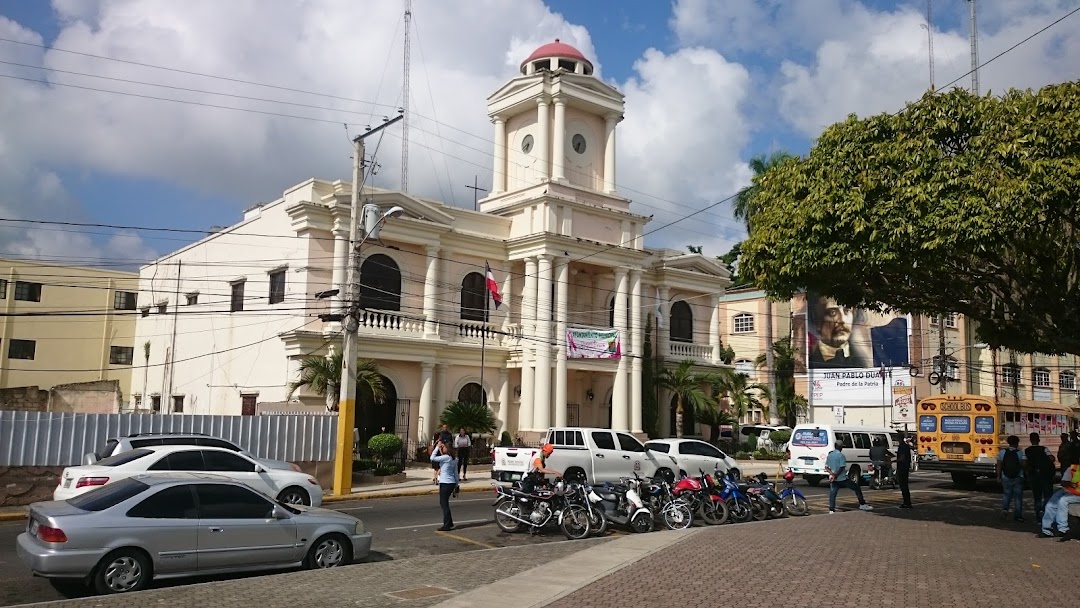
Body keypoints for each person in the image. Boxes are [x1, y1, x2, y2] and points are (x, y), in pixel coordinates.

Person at [1038, 453, 1080, 541]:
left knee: (1063, 501)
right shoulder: (1073, 468)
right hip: (1069, 491)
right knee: (1050, 504)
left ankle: (1063, 529)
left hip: (1075, 494)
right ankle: (1046, 529)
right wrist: (1070, 484)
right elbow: (1063, 482)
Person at [824, 440, 873, 514]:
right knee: (856, 488)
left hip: (834, 479)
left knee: (833, 494)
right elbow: (841, 467)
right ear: (840, 447)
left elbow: (826, 467)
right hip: (842, 478)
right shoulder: (841, 456)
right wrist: (836, 475)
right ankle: (862, 504)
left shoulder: (830, 455)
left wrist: (832, 474)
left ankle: (831, 509)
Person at [1024, 432, 1055, 520]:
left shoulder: (1027, 450)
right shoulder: (1044, 449)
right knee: (1047, 495)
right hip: (1045, 475)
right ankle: (1046, 511)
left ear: (1030, 440)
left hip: (1034, 475)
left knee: (1037, 496)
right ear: (1039, 440)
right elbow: (1052, 459)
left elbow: (1024, 463)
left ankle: (1038, 514)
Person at [430, 439, 459, 531]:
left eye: (444, 447)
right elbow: (456, 473)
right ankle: (449, 522)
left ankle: (446, 525)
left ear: (448, 448)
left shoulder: (446, 458)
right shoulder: (454, 459)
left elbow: (432, 458)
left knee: (444, 503)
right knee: (445, 502)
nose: (443, 448)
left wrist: (437, 447)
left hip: (445, 483)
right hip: (451, 483)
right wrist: (457, 485)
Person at [997, 435, 1026, 522]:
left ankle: (1005, 510)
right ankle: (1018, 515)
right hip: (1018, 476)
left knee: (1006, 494)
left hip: (1005, 476)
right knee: (1018, 497)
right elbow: (1024, 465)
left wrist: (998, 476)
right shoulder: (1020, 453)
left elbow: (999, 465)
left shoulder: (1002, 452)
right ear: (1017, 443)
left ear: (1008, 443)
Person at [895, 432, 914, 508]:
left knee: (903, 486)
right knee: (904, 485)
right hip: (905, 467)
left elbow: (902, 458)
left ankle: (907, 502)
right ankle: (906, 502)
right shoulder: (905, 446)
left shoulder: (902, 446)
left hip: (902, 467)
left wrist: (894, 461)